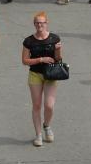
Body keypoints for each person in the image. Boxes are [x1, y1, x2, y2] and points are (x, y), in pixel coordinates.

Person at [22, 11, 63, 147]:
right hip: (35, 74)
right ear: (34, 24)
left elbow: (58, 59)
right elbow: (25, 60)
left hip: (51, 74)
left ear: (46, 24)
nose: (40, 25)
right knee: (37, 105)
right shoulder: (29, 41)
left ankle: (47, 125)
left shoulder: (54, 38)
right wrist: (41, 59)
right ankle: (38, 135)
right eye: (37, 23)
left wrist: (58, 50)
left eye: (42, 22)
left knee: (49, 106)